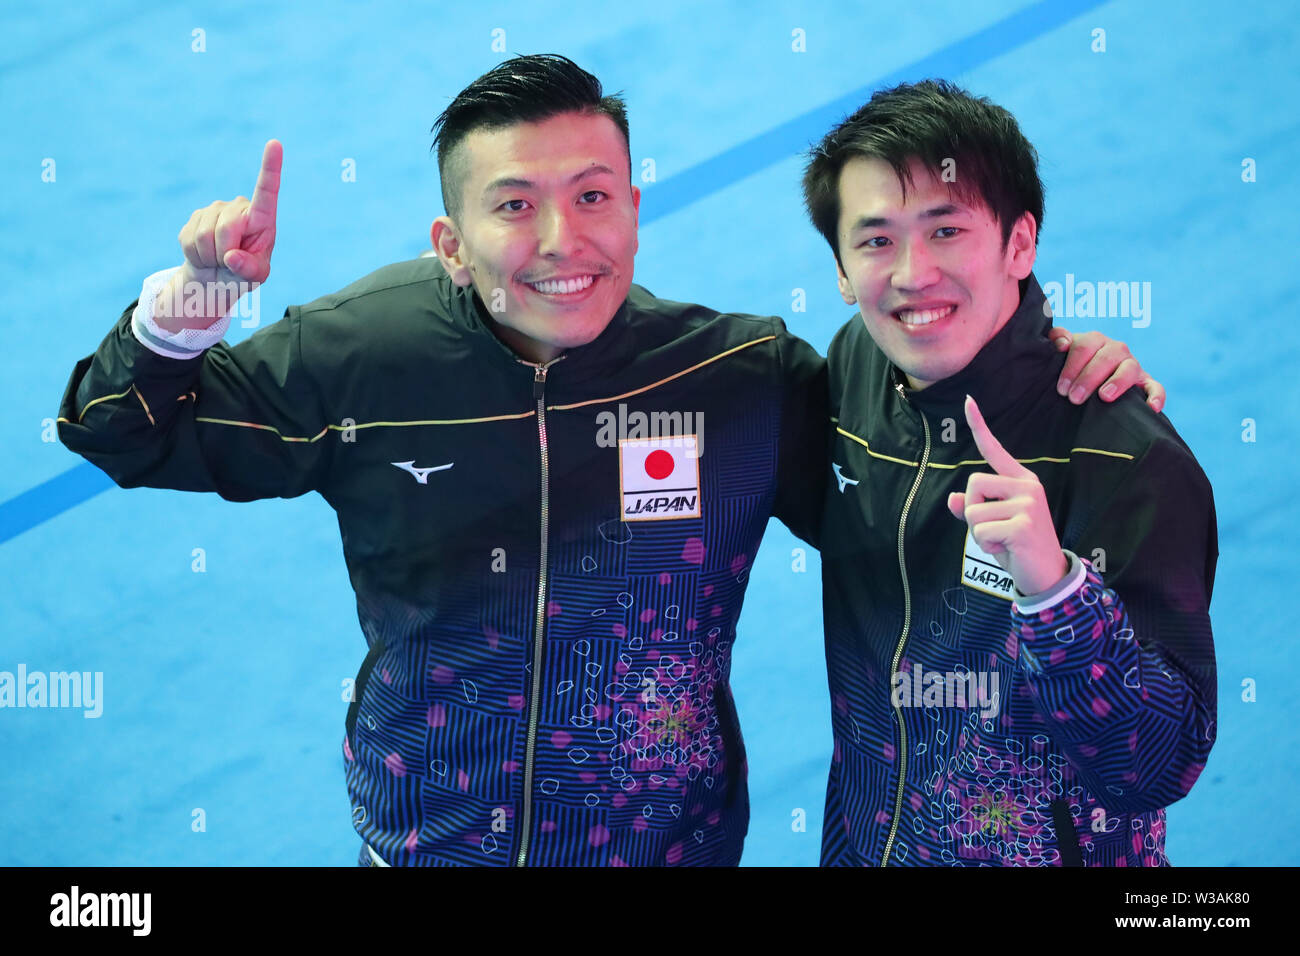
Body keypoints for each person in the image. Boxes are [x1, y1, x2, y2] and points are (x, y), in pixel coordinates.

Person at [56, 56, 1155, 867]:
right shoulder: (362, 358)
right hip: (427, 848)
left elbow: (905, 464)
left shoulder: (736, 375)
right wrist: (197, 297)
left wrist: (1043, 356)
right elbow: (120, 427)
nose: (560, 242)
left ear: (634, 210)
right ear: (450, 243)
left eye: (592, 197)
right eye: (513, 206)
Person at [802, 79, 1217, 866]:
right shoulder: (857, 369)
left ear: (1020, 244)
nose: (913, 274)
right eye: (876, 240)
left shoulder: (1124, 457)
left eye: (947, 230)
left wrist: (1056, 594)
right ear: (842, 273)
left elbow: (1158, 763)